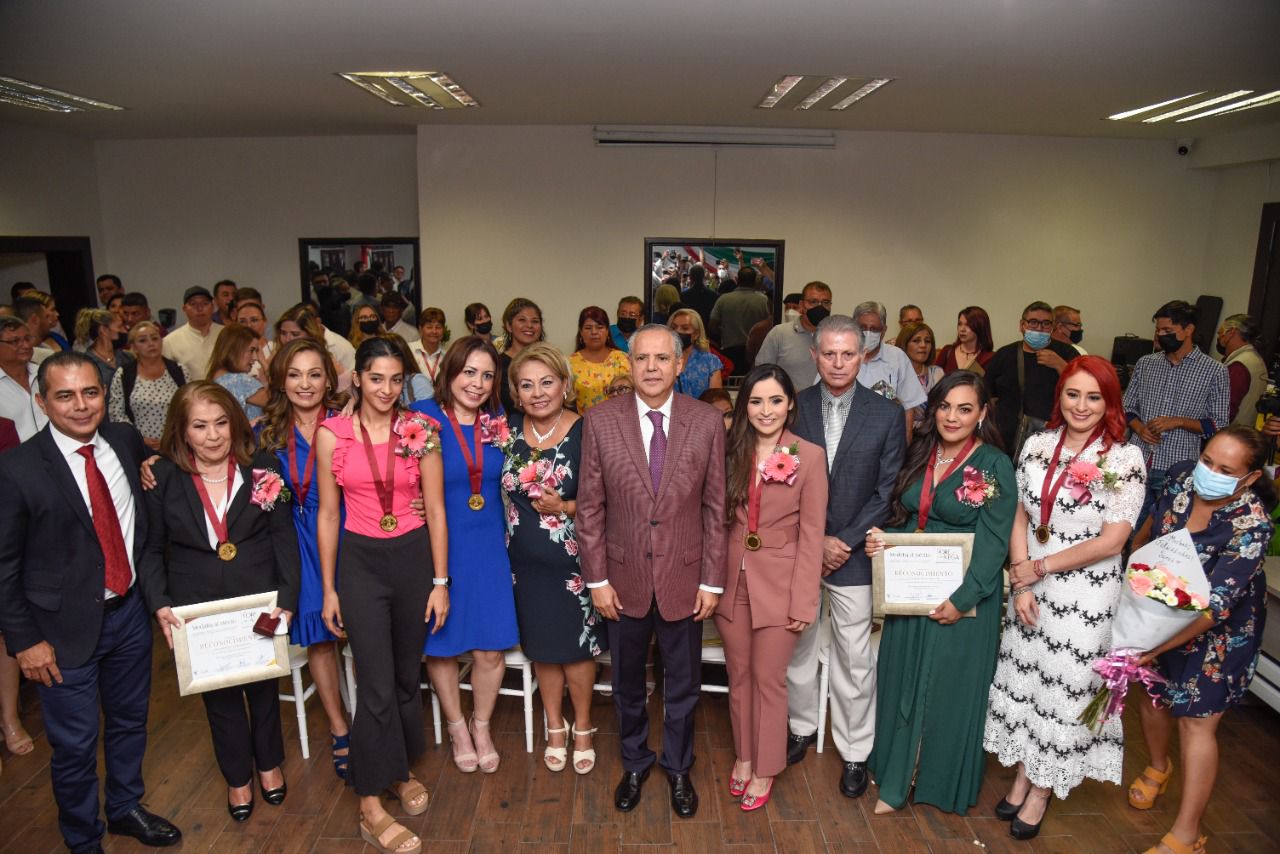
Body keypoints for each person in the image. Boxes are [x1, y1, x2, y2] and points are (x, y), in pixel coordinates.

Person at [0, 351, 183, 852]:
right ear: (41, 401)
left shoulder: (123, 441)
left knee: (129, 723)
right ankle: (84, 840)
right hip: (59, 633)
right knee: (75, 746)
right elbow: (4, 567)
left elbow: (142, 522)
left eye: (90, 392)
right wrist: (25, 641)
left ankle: (125, 807)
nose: (81, 406)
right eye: (65, 395)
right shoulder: (15, 469)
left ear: (105, 394)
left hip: (127, 615)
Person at [981, 355, 1146, 837]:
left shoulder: (1124, 458)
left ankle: (1042, 789)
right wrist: (1022, 577)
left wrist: (1040, 566)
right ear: (1060, 397)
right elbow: (1017, 514)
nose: (1081, 405)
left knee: (1065, 689)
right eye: (1073, 394)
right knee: (1028, 679)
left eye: (1094, 397)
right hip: (1031, 586)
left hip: (1085, 596)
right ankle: (1022, 774)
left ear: (1110, 402)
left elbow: (1113, 540)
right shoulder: (1037, 443)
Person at [578, 323, 727, 818]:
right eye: (642, 359)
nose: (652, 368)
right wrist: (597, 580)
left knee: (684, 686)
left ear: (680, 364)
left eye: (662, 359)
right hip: (622, 583)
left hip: (686, 579)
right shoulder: (600, 421)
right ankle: (636, 761)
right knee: (626, 685)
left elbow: (714, 508)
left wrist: (710, 579)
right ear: (629, 363)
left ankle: (679, 767)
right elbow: (591, 509)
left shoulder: (706, 422)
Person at [140, 381, 300, 822]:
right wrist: (160, 605)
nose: (212, 435)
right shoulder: (162, 478)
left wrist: (287, 597)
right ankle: (237, 778)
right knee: (219, 697)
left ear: (235, 422)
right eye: (199, 426)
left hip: (259, 597)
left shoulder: (264, 468)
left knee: (264, 686)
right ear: (182, 431)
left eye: (220, 423)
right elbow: (152, 549)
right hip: (197, 606)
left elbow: (284, 536)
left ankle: (268, 766)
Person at [316, 337, 449, 854]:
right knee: (372, 681)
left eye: (397, 380)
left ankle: (397, 770)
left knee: (402, 677)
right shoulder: (332, 434)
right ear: (357, 378)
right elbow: (329, 514)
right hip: (361, 563)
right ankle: (370, 804)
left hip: (414, 559)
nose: (387, 390)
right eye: (376, 379)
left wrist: (441, 583)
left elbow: (436, 510)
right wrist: (328, 588)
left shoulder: (423, 430)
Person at [864, 370, 1016, 815]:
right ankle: (896, 771)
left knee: (943, 686)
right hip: (911, 589)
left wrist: (963, 599)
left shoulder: (994, 465)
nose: (953, 417)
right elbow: (903, 515)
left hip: (964, 597)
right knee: (903, 677)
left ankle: (933, 779)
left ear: (983, 413)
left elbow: (995, 540)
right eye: (945, 406)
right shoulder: (921, 452)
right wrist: (882, 540)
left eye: (965, 408)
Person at [1128, 426, 1275, 854]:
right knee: (1153, 696)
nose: (1209, 472)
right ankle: (1159, 767)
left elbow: (1216, 608)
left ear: (1248, 479)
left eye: (1225, 469)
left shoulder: (1252, 525)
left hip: (1218, 633)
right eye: (1207, 460)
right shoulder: (1179, 480)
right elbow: (1149, 532)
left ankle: (1187, 834)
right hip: (1160, 611)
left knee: (1197, 721)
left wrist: (1153, 649)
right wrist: (1131, 577)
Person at [784, 315, 906, 802]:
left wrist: (844, 540)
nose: (838, 362)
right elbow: (779, 482)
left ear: (863, 355)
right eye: (828, 353)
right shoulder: (793, 407)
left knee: (855, 659)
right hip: (799, 550)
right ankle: (800, 727)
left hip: (853, 555)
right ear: (814, 355)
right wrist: (814, 542)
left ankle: (856, 751)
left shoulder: (887, 414)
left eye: (848, 353)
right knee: (798, 648)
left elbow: (887, 489)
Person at [716, 365, 827, 812]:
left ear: (790, 405)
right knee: (738, 676)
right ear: (745, 407)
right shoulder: (730, 449)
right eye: (756, 401)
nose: (766, 410)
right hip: (731, 580)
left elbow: (813, 533)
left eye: (775, 401)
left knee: (768, 679)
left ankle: (766, 767)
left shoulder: (810, 456)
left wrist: (804, 599)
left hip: (781, 585)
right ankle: (743, 757)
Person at [412, 337, 519, 776]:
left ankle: (481, 725)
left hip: (490, 545)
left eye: (487, 375)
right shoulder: (421, 418)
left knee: (490, 649)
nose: (477, 383)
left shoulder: (500, 422)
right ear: (449, 371)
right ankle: (456, 727)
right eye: (468, 372)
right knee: (443, 645)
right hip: (440, 544)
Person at [503, 344, 607, 774]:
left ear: (565, 385)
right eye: (527, 385)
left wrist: (563, 508)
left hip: (575, 565)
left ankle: (583, 726)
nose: (538, 392)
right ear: (516, 392)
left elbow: (610, 501)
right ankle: (554, 726)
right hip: (523, 567)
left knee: (578, 650)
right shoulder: (505, 431)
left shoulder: (588, 432)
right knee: (543, 649)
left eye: (547, 382)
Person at [256, 338, 353, 780]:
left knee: (366, 627)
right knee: (319, 637)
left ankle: (374, 723)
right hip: (295, 541)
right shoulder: (264, 432)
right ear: (280, 380)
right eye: (294, 374)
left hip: (348, 529)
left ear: (329, 379)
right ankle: (339, 728)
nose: (305, 383)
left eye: (314, 374)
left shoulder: (347, 423)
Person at [1124, 300, 1230, 529]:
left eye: (1167, 331)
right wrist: (1140, 428)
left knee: (1165, 529)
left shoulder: (1214, 371)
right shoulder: (1146, 364)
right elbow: (1126, 408)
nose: (1161, 335)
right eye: (1158, 331)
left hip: (1177, 465)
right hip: (1138, 459)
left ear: (1188, 330)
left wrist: (1179, 422)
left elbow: (1218, 424)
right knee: (1128, 525)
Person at [985, 301, 1079, 457]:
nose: (1039, 328)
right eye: (1033, 322)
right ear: (1022, 325)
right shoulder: (1004, 354)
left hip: (1051, 438)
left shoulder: (1067, 353)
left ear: (1053, 326)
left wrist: (1061, 366)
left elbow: (1082, 388)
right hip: (1005, 440)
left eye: (1046, 324)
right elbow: (987, 393)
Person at [852, 301, 927, 440]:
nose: (868, 333)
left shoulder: (897, 357)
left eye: (874, 329)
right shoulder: (840, 355)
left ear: (884, 330)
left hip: (886, 439)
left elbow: (908, 406)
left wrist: (905, 445)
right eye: (863, 327)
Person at [109, 322, 189, 450]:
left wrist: (172, 438)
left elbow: (190, 408)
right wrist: (138, 438)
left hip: (177, 446)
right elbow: (117, 414)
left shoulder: (179, 370)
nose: (151, 343)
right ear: (134, 347)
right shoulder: (124, 374)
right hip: (139, 448)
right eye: (143, 340)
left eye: (155, 338)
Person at [756, 281, 832, 391]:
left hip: (827, 405)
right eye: (813, 302)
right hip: (790, 405)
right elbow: (761, 373)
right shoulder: (779, 334)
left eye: (825, 302)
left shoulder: (836, 337)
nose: (820, 307)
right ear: (802, 305)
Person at [710, 267, 770, 374]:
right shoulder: (764, 300)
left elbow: (712, 326)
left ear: (737, 280)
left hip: (730, 351)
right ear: (754, 281)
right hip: (757, 352)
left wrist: (724, 334)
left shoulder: (723, 299)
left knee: (732, 386)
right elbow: (769, 325)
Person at [569, 306, 630, 413]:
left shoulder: (622, 358)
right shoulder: (570, 363)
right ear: (581, 332)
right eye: (588, 328)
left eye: (599, 327)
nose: (594, 332)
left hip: (620, 421)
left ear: (607, 331)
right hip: (584, 425)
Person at [207, 323, 268, 423]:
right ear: (234, 349)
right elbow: (277, 401)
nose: (255, 358)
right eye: (251, 350)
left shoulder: (216, 378)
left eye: (257, 352)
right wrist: (265, 363)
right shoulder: (238, 380)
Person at [162, 286, 224, 381]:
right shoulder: (170, 341)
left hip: (225, 393)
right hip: (189, 393)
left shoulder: (227, 334)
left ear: (213, 306)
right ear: (184, 308)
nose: (199, 308)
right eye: (193, 304)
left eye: (205, 303)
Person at [1216, 314, 1268, 425]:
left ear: (1231, 333)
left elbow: (1224, 412)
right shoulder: (1255, 359)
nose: (1219, 338)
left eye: (1220, 333)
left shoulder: (1238, 366)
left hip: (1231, 435)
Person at [0, 315, 47, 440]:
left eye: (27, 339)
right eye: (15, 341)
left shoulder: (45, 373)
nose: (25, 346)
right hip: (16, 456)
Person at [496, 298, 545, 413]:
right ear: (508, 326)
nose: (529, 325)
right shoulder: (497, 364)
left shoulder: (550, 362)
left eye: (535, 321)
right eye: (522, 320)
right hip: (510, 428)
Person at [669, 308, 724, 399]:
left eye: (685, 328)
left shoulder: (710, 362)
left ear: (696, 334)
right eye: (673, 327)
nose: (677, 331)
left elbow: (715, 401)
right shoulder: (660, 360)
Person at [74, 308, 132, 389]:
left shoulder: (128, 357)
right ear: (104, 330)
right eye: (119, 326)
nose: (125, 331)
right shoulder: (87, 363)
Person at [936, 306, 996, 374]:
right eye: (960, 324)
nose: (962, 329)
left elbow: (988, 383)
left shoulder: (989, 358)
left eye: (968, 325)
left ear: (980, 327)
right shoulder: (947, 351)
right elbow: (933, 380)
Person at [897, 321, 944, 398]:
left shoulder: (937, 373)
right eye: (916, 341)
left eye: (927, 341)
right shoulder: (892, 374)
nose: (923, 345)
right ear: (904, 344)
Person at [410, 307, 447, 396]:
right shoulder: (409, 350)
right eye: (429, 327)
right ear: (420, 329)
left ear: (443, 330)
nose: (434, 331)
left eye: (438, 327)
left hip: (440, 403)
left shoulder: (448, 356)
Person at [681, 263, 719, 331]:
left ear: (690, 277)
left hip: (690, 329)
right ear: (704, 276)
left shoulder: (684, 295)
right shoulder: (713, 295)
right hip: (707, 331)